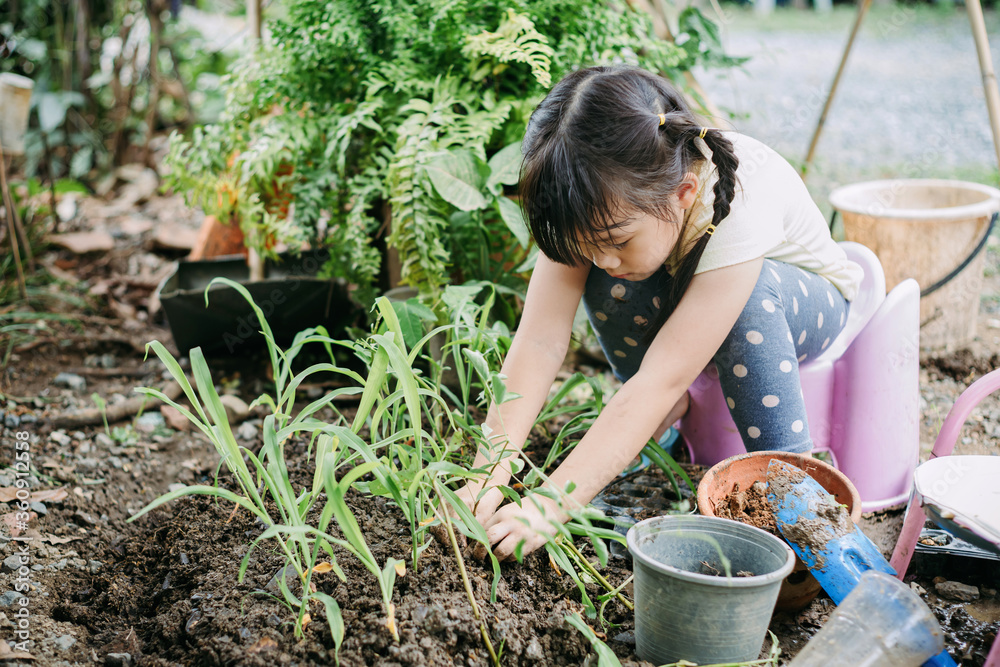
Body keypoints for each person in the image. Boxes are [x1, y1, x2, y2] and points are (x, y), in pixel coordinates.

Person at [457, 65, 863, 561]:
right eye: (589, 245)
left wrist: (548, 506)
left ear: (684, 194)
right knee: (610, 269)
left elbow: (662, 378)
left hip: (806, 304)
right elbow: (538, 342)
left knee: (749, 301)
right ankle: (663, 418)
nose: (602, 258)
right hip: (691, 298)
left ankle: (789, 488)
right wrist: (485, 475)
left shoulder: (735, 201)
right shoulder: (593, 208)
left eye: (615, 241)